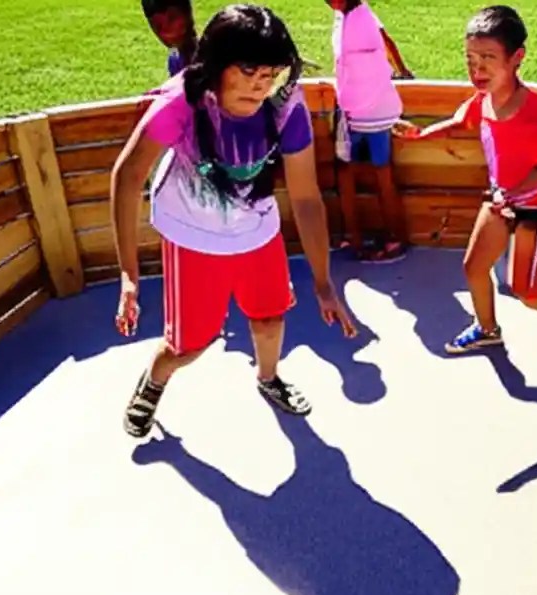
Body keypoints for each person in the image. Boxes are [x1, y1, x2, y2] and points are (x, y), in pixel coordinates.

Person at [112, 4, 358, 438]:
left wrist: (323, 283)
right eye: (248, 71)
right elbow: (127, 175)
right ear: (218, 64)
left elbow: (305, 197)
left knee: (270, 320)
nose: (260, 86)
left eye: (271, 74)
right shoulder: (181, 102)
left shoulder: (284, 109)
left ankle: (268, 378)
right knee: (189, 345)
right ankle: (155, 380)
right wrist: (128, 276)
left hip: (257, 233)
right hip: (193, 239)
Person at [393, 5, 537, 365]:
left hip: (534, 208)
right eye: (470, 58)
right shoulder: (484, 100)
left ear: (516, 58)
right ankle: (487, 329)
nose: (476, 68)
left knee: (526, 289)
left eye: (487, 58)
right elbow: (458, 120)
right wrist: (420, 135)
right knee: (474, 267)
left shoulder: (531, 113)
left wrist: (512, 195)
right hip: (501, 199)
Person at [327, 0, 414, 263]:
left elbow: (382, 45)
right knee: (374, 172)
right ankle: (374, 237)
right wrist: (402, 71)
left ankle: (372, 237)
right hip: (371, 112)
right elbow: (385, 43)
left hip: (362, 115)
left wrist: (402, 70)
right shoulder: (354, 15)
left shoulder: (354, 17)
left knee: (357, 172)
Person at [142, 0, 197, 77]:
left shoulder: (212, 56)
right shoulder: (175, 59)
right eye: (158, 26)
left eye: (172, 19)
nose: (166, 33)